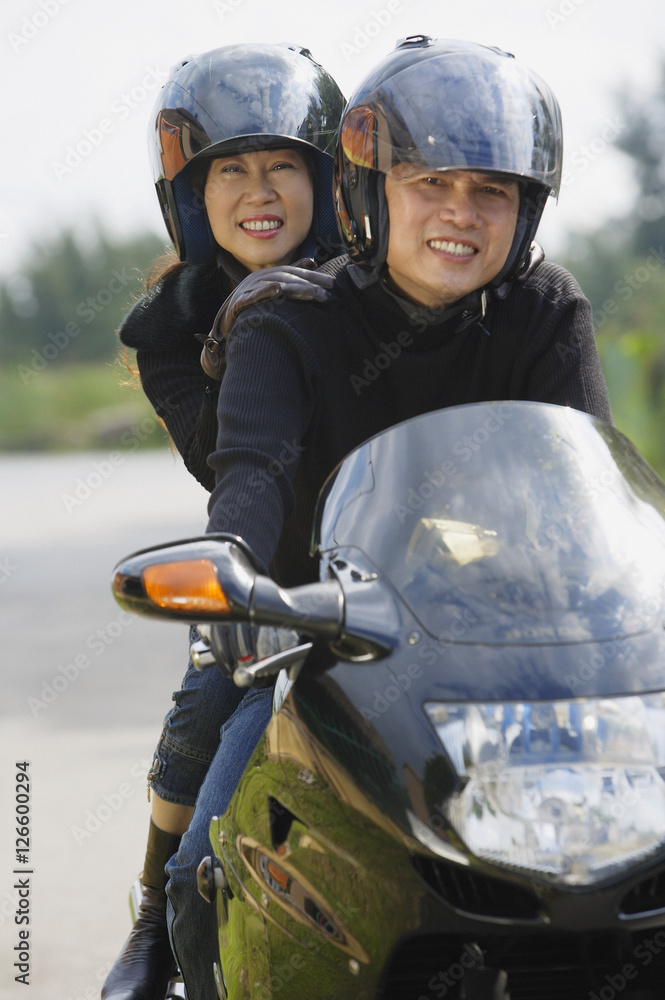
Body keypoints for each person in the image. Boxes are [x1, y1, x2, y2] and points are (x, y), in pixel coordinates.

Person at [164, 35, 612, 1000]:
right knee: (207, 863)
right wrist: (231, 567)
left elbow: (590, 493)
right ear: (367, 193)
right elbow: (251, 475)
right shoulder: (286, 319)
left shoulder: (544, 311)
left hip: (515, 668)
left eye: (490, 190)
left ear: (525, 209)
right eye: (430, 183)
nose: (460, 213)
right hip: (321, 651)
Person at [102, 43, 345, 1000]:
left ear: (328, 182)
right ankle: (159, 920)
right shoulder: (168, 327)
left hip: (398, 576)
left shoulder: (379, 286)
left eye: (283, 163)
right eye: (230, 169)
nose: (260, 190)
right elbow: (236, 466)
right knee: (211, 699)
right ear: (190, 196)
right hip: (271, 572)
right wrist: (250, 329)